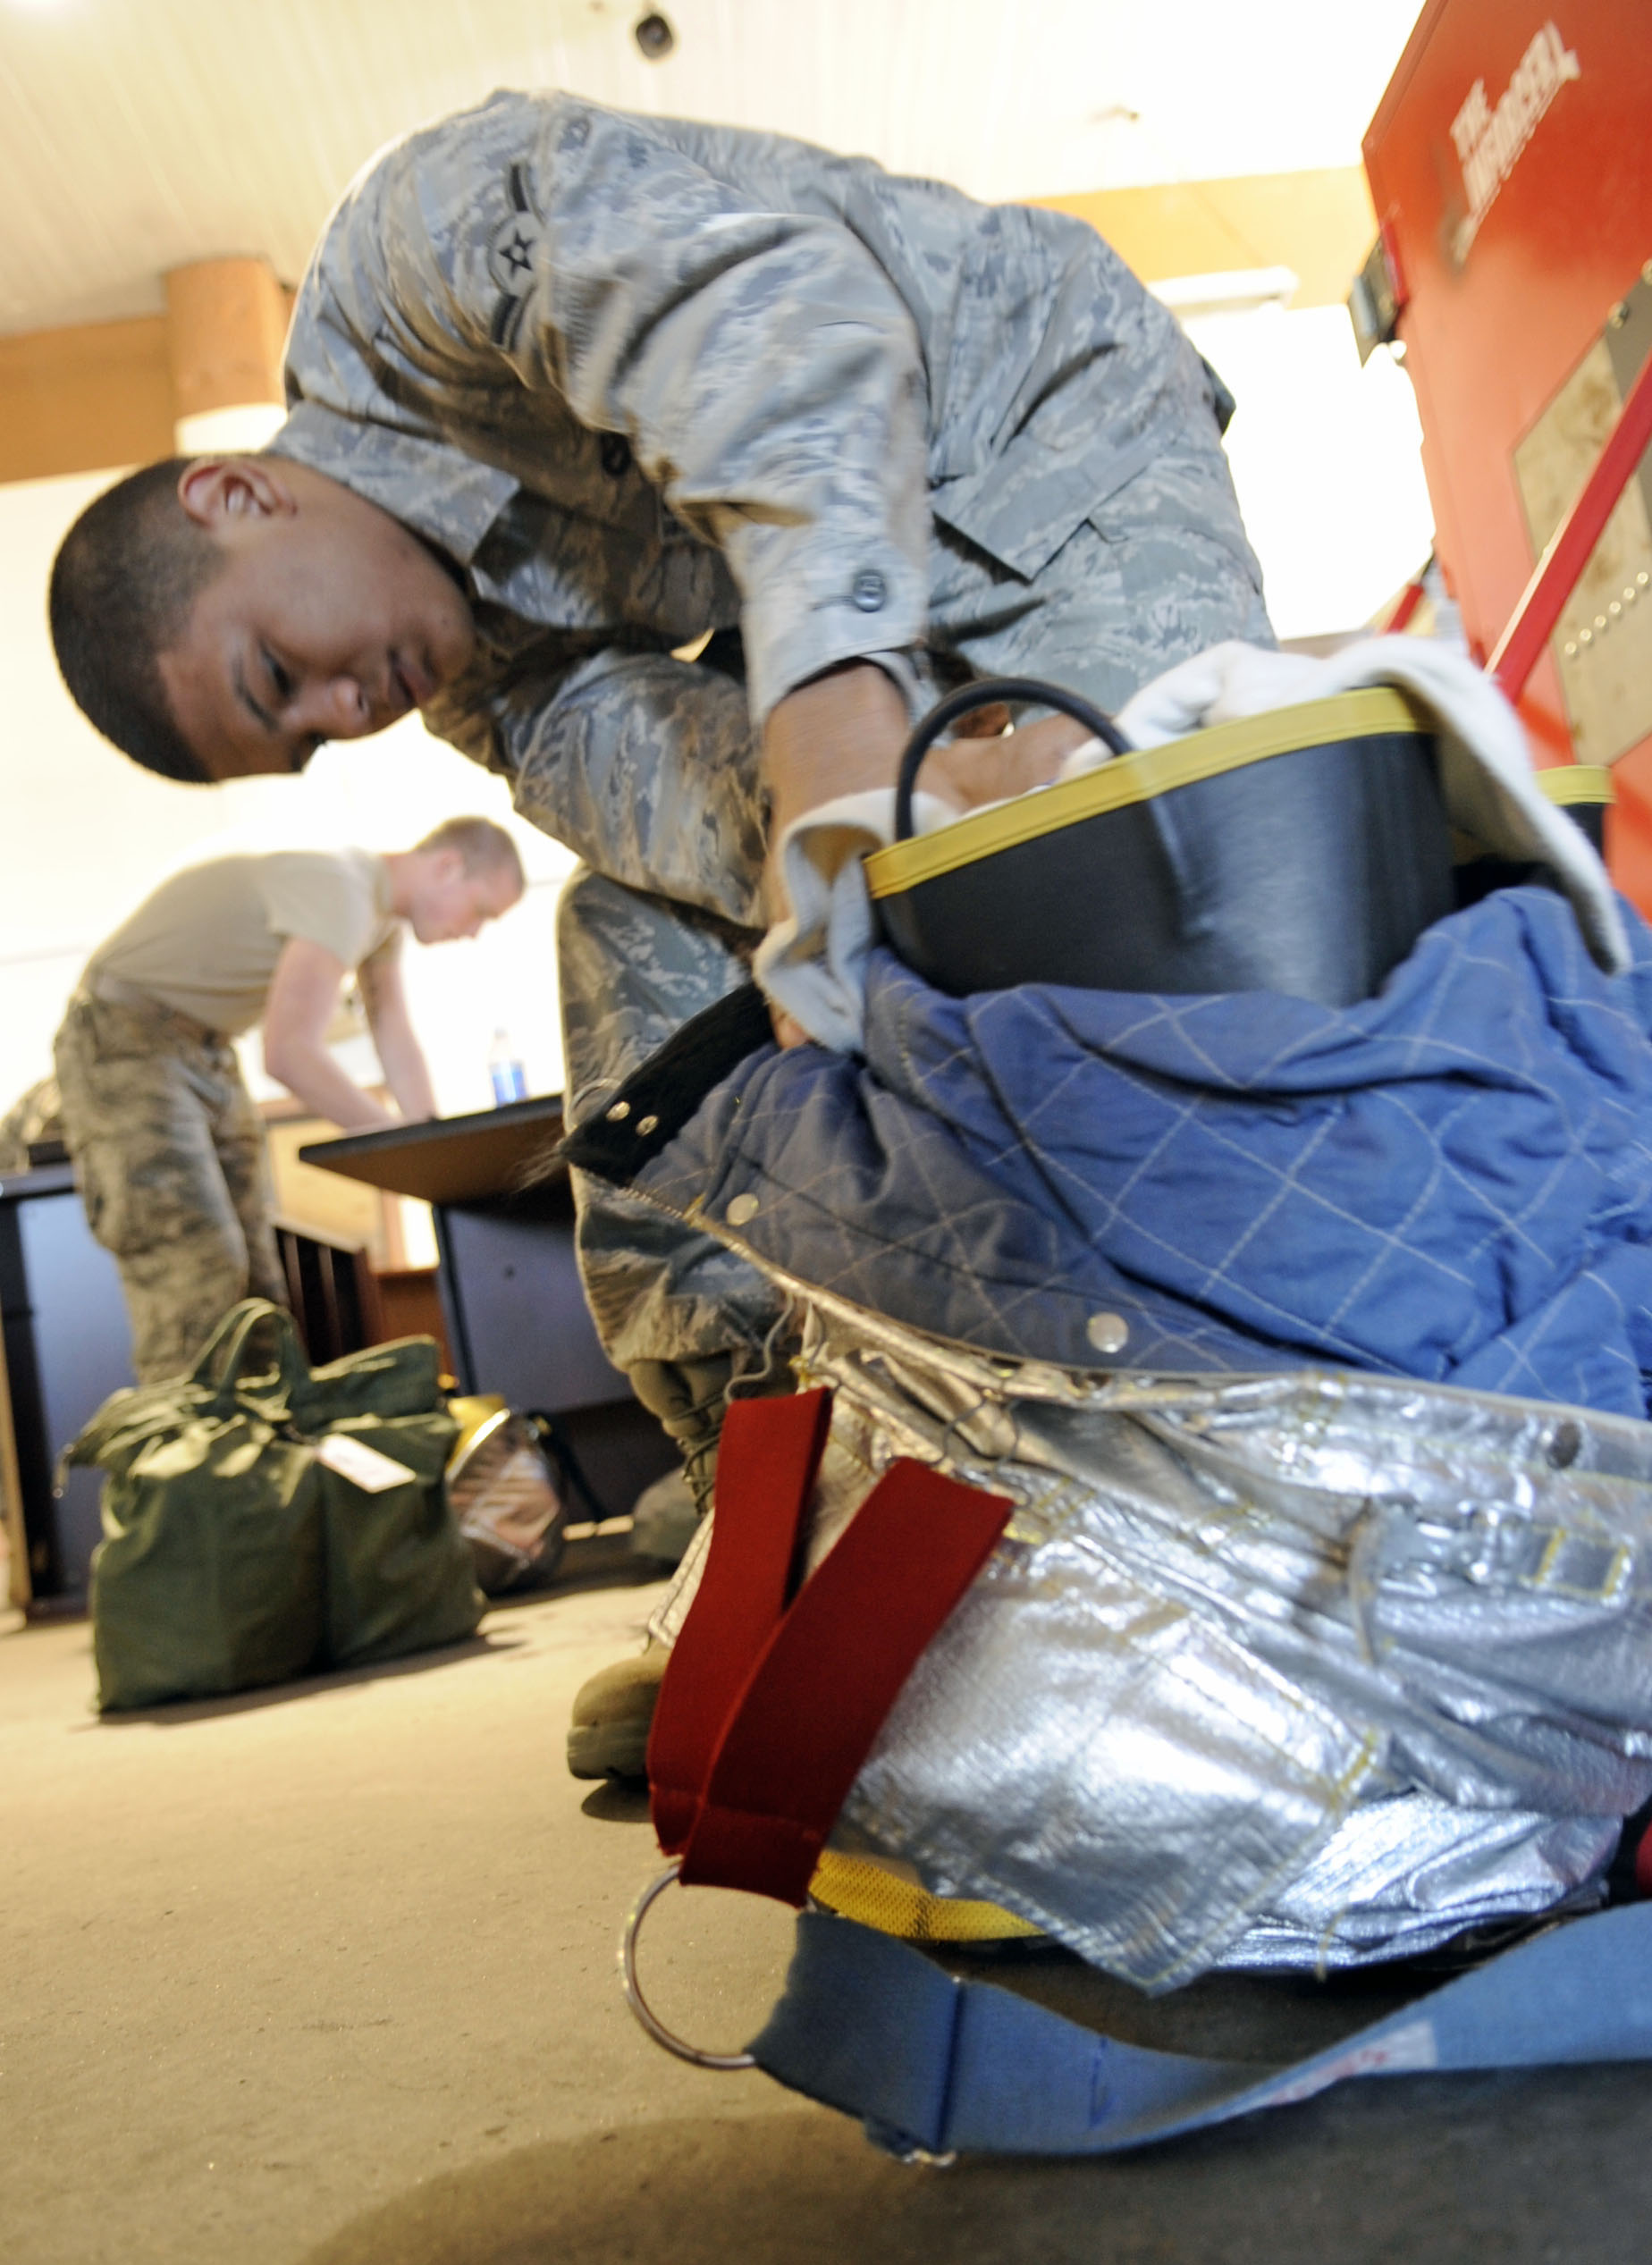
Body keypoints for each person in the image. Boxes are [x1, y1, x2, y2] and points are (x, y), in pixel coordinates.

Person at [47, 90, 1273, 1765]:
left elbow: (771, 316)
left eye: (285, 669)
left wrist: (847, 716)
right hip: (843, 631)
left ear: (233, 496)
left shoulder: (412, 255)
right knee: (631, 939)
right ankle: (768, 1512)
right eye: (310, 732)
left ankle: (1201, 1514)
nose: (349, 704)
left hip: (1028, 450)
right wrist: (866, 820)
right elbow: (725, 808)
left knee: (1101, 903)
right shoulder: (473, 696)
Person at [53, 816, 524, 1385]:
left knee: (257, 1281)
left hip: (208, 1051)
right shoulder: (341, 889)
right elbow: (291, 1053)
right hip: (127, 1040)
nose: (473, 932)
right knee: (194, 1272)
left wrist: (434, 1151)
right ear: (448, 867)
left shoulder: (379, 922)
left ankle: (260, 1454)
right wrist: (404, 1152)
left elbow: (394, 1036)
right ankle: (190, 1461)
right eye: (481, 912)